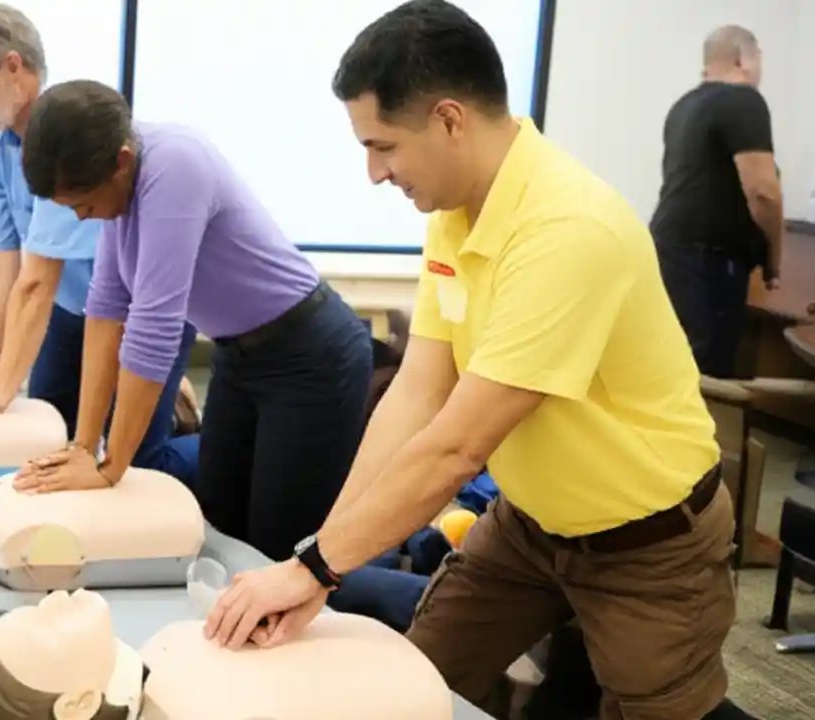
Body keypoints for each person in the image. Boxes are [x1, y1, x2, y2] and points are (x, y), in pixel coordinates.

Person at [203, 3, 742, 719]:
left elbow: (458, 446)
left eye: (383, 146)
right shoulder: (454, 217)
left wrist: (316, 567)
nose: (373, 172)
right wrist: (320, 555)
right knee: (419, 681)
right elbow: (417, 397)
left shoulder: (567, 227)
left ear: (450, 119)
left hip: (647, 540)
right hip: (532, 524)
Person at [15, 79, 373, 563]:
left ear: (120, 162)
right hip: (239, 354)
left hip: (310, 356)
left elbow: (154, 326)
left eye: (83, 203)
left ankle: (413, 587)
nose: (81, 218)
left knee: (281, 556)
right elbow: (104, 307)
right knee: (218, 533)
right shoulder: (118, 175)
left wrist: (110, 467)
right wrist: (84, 444)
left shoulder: (173, 166)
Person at [0, 3, 199, 485]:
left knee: (133, 464)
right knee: (49, 445)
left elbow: (36, 280)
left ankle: (216, 446)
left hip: (135, 313)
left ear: (13, 67)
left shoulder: (67, 137)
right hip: (67, 312)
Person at [650, 25, 783, 378]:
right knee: (706, 370)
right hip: (708, 261)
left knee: (673, 363)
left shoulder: (683, 107)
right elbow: (764, 193)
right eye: (759, 59)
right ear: (743, 59)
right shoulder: (744, 100)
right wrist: (775, 259)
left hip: (667, 250)